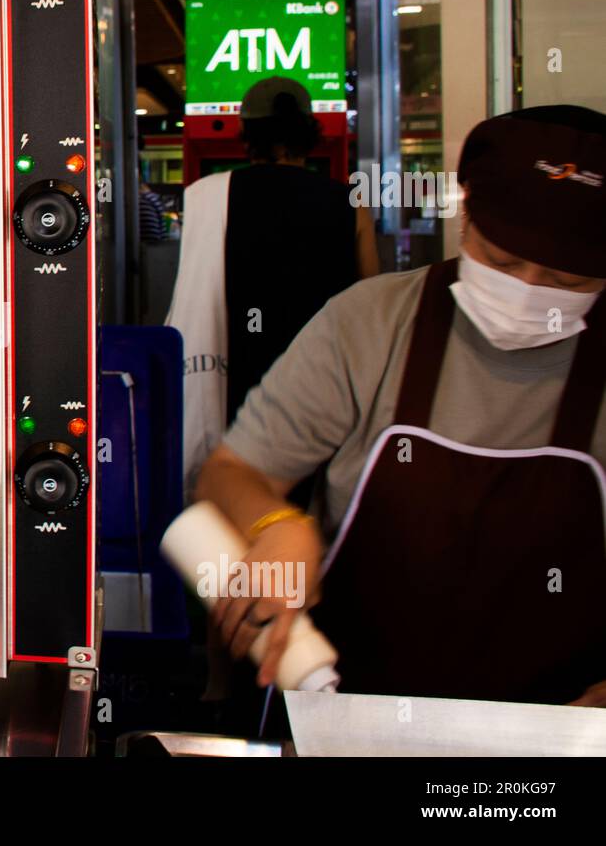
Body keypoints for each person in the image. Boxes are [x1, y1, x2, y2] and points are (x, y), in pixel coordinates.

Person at [196, 104, 606, 707]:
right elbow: (231, 472)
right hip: (356, 716)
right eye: (504, 259)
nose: (531, 290)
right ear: (465, 215)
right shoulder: (370, 322)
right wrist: (275, 526)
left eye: (567, 280)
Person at [167, 77, 377, 499]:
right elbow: (371, 305)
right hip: (320, 388)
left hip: (232, 385)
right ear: (309, 133)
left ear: (248, 136)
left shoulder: (205, 196)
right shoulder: (349, 204)